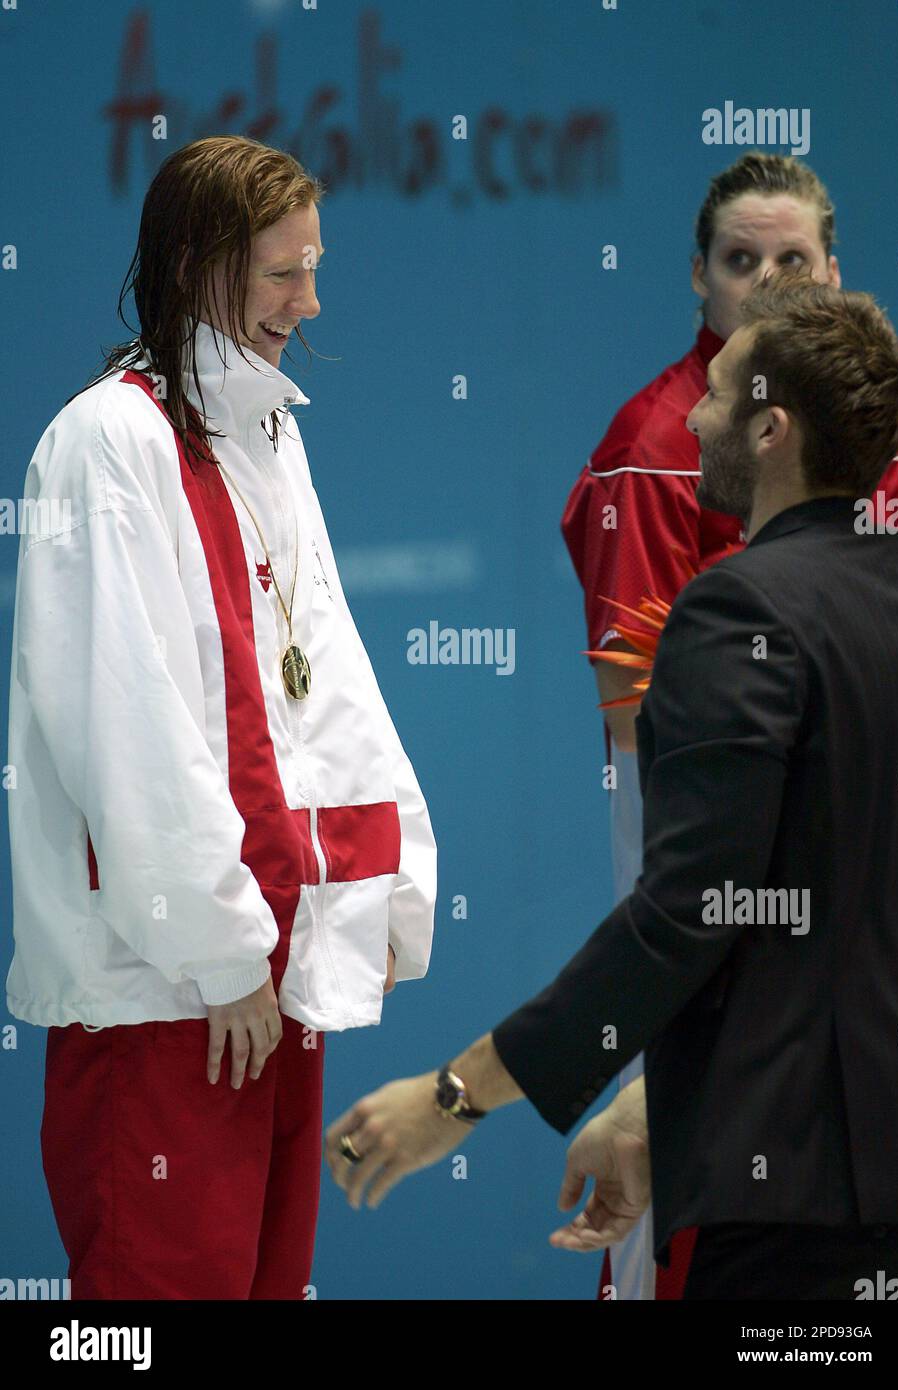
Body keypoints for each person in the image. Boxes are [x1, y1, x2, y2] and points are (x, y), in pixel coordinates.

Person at [324, 269, 898, 1301]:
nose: (691, 415)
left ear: (771, 429)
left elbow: (689, 910)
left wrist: (458, 1091)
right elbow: (820, 924)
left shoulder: (735, 608)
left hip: (787, 1211)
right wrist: (648, 1111)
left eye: (720, 391)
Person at [6, 134, 436, 1300]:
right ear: (199, 265)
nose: (310, 301)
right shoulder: (107, 443)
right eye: (282, 273)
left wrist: (381, 887)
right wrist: (220, 947)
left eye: (315, 266)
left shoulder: (267, 435)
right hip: (165, 991)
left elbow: (324, 667)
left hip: (264, 976)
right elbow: (123, 721)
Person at [560, 151, 898, 1299]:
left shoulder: (848, 426)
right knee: (687, 1215)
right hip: (714, 887)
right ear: (697, 278)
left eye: (790, 260)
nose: (764, 283)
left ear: (833, 272)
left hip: (848, 913)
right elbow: (638, 743)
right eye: (737, 261)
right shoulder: (659, 449)